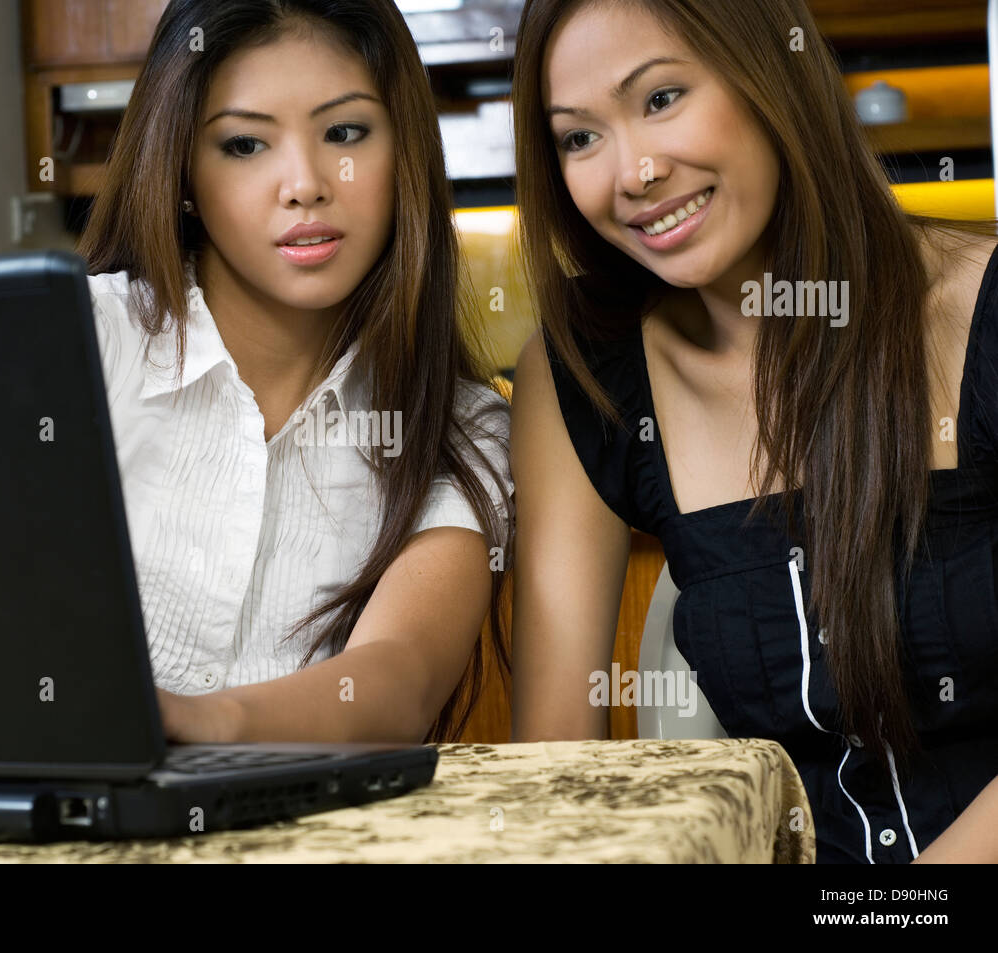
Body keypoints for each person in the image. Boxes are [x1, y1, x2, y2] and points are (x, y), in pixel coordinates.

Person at [509, 0, 998, 863]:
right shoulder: (584, 372)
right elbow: (557, 770)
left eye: (661, 98)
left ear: (771, 70)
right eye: (579, 137)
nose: (635, 171)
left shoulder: (981, 308)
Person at [76, 0, 513, 746]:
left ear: (403, 149)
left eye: (345, 133)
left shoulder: (456, 424)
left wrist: (197, 721)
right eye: (245, 144)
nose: (306, 183)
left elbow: (401, 677)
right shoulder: (81, 340)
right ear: (183, 170)